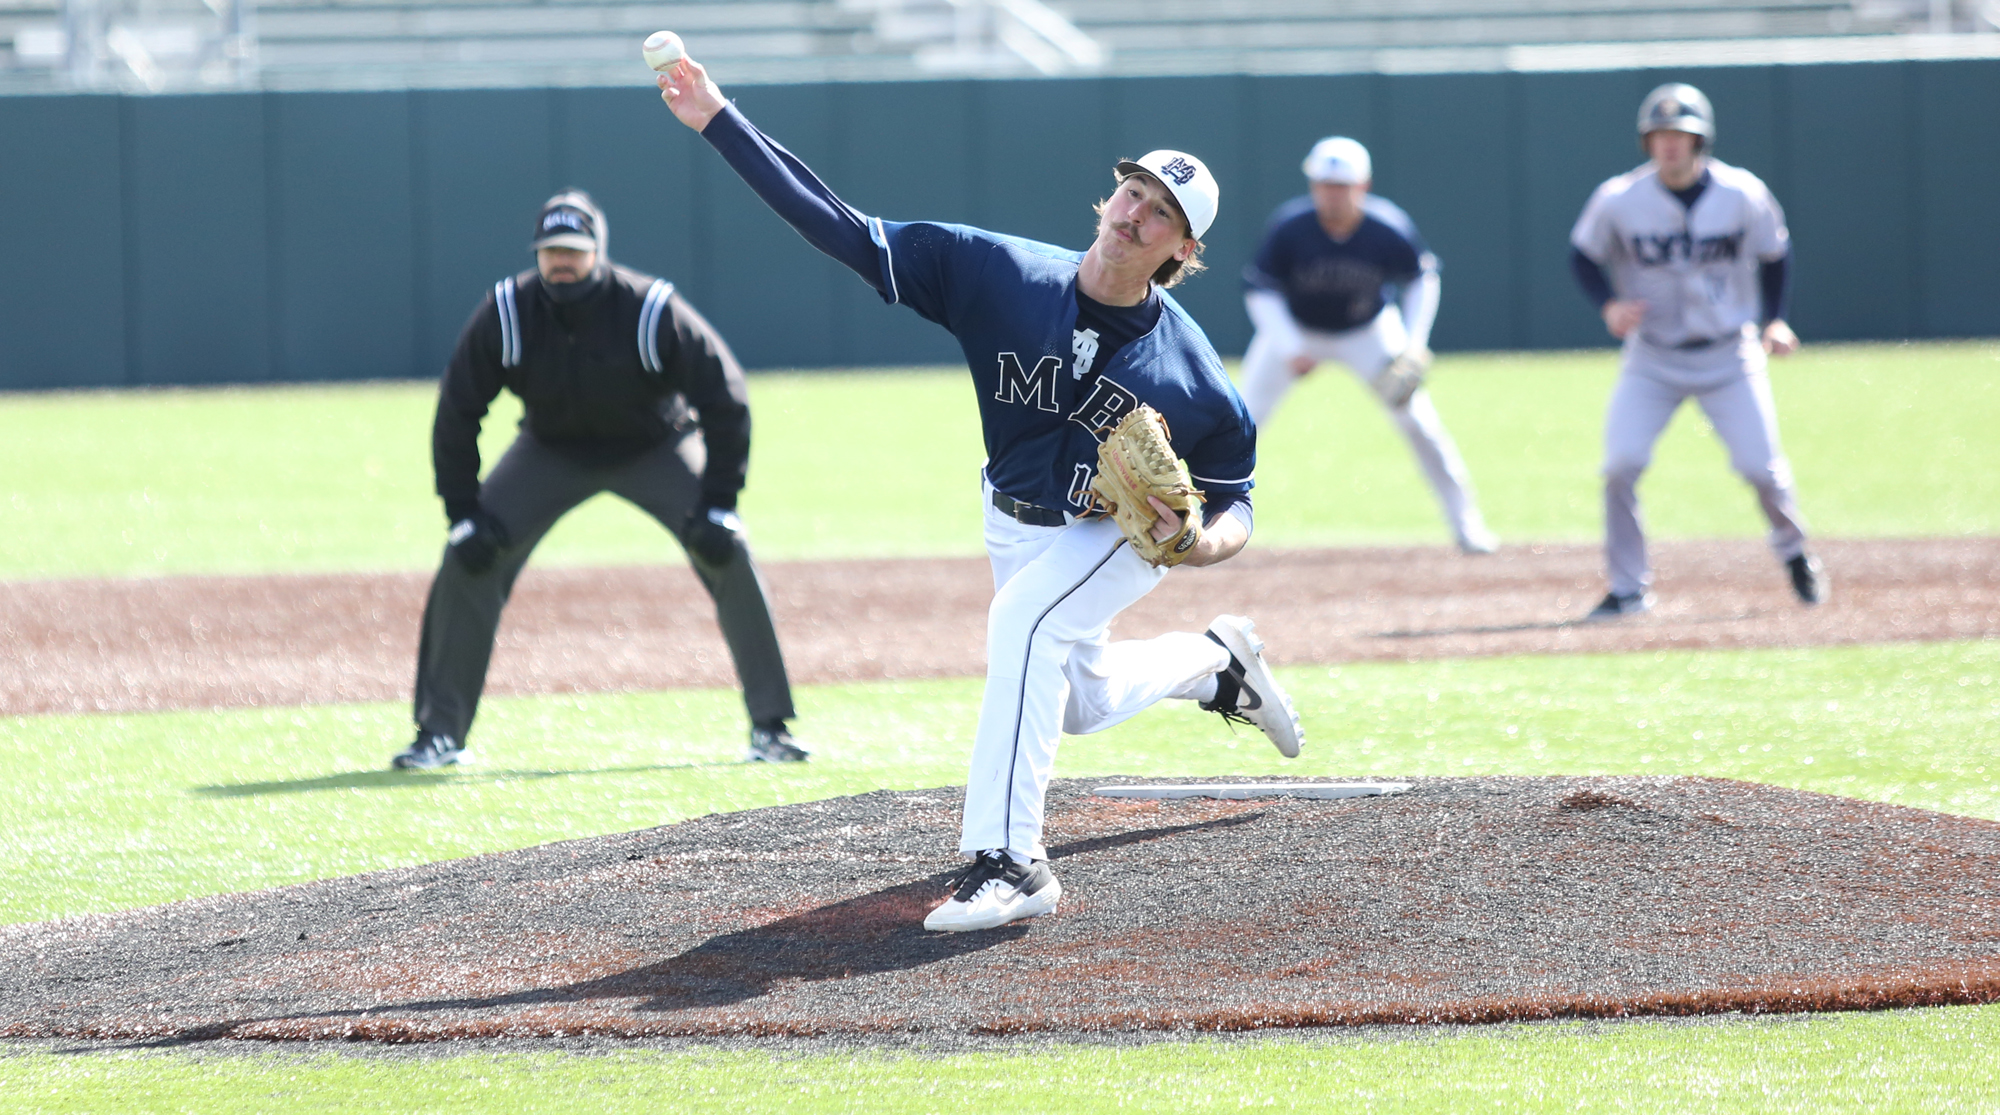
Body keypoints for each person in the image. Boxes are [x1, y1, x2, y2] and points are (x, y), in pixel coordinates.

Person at [656, 50, 1304, 933]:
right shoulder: (996, 273)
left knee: (1024, 623)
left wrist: (1197, 543)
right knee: (1081, 700)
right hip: (1011, 515)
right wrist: (717, 119)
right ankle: (1217, 661)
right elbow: (843, 228)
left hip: (1111, 530)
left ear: (1183, 251)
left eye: (1162, 215)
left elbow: (1236, 501)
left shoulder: (1192, 376)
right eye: (1133, 194)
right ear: (1107, 198)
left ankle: (1011, 862)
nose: (1136, 215)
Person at [391, 190, 804, 770]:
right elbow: (458, 410)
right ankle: (438, 734)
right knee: (470, 556)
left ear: (597, 254)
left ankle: (771, 727)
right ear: (537, 254)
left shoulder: (650, 307)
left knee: (725, 547)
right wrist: (461, 510)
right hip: (550, 449)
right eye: (551, 251)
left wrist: (718, 501)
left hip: (654, 445)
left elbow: (725, 394)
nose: (562, 262)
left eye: (574, 252)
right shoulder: (509, 309)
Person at [1569, 83, 1823, 620]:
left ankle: (1794, 551)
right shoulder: (1619, 198)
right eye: (1660, 135)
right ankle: (1627, 587)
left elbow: (1775, 254)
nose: (1669, 144)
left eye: (1680, 134)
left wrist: (1775, 318)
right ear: (1647, 141)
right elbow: (1582, 255)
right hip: (1652, 357)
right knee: (1620, 464)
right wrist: (1607, 305)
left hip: (1729, 354)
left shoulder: (1742, 193)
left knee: (1762, 469)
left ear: (1700, 140)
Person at [1240, 136, 1497, 555]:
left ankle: (1467, 525)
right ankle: (1196, 524)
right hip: (1298, 329)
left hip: (1368, 331)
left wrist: (1414, 343)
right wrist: (1288, 346)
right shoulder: (1291, 226)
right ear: (1312, 185)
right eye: (1324, 184)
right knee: (1242, 421)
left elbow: (1421, 279)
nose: (1332, 193)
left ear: (1363, 186)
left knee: (1419, 423)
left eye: (1342, 185)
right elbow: (1260, 290)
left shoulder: (1386, 226)